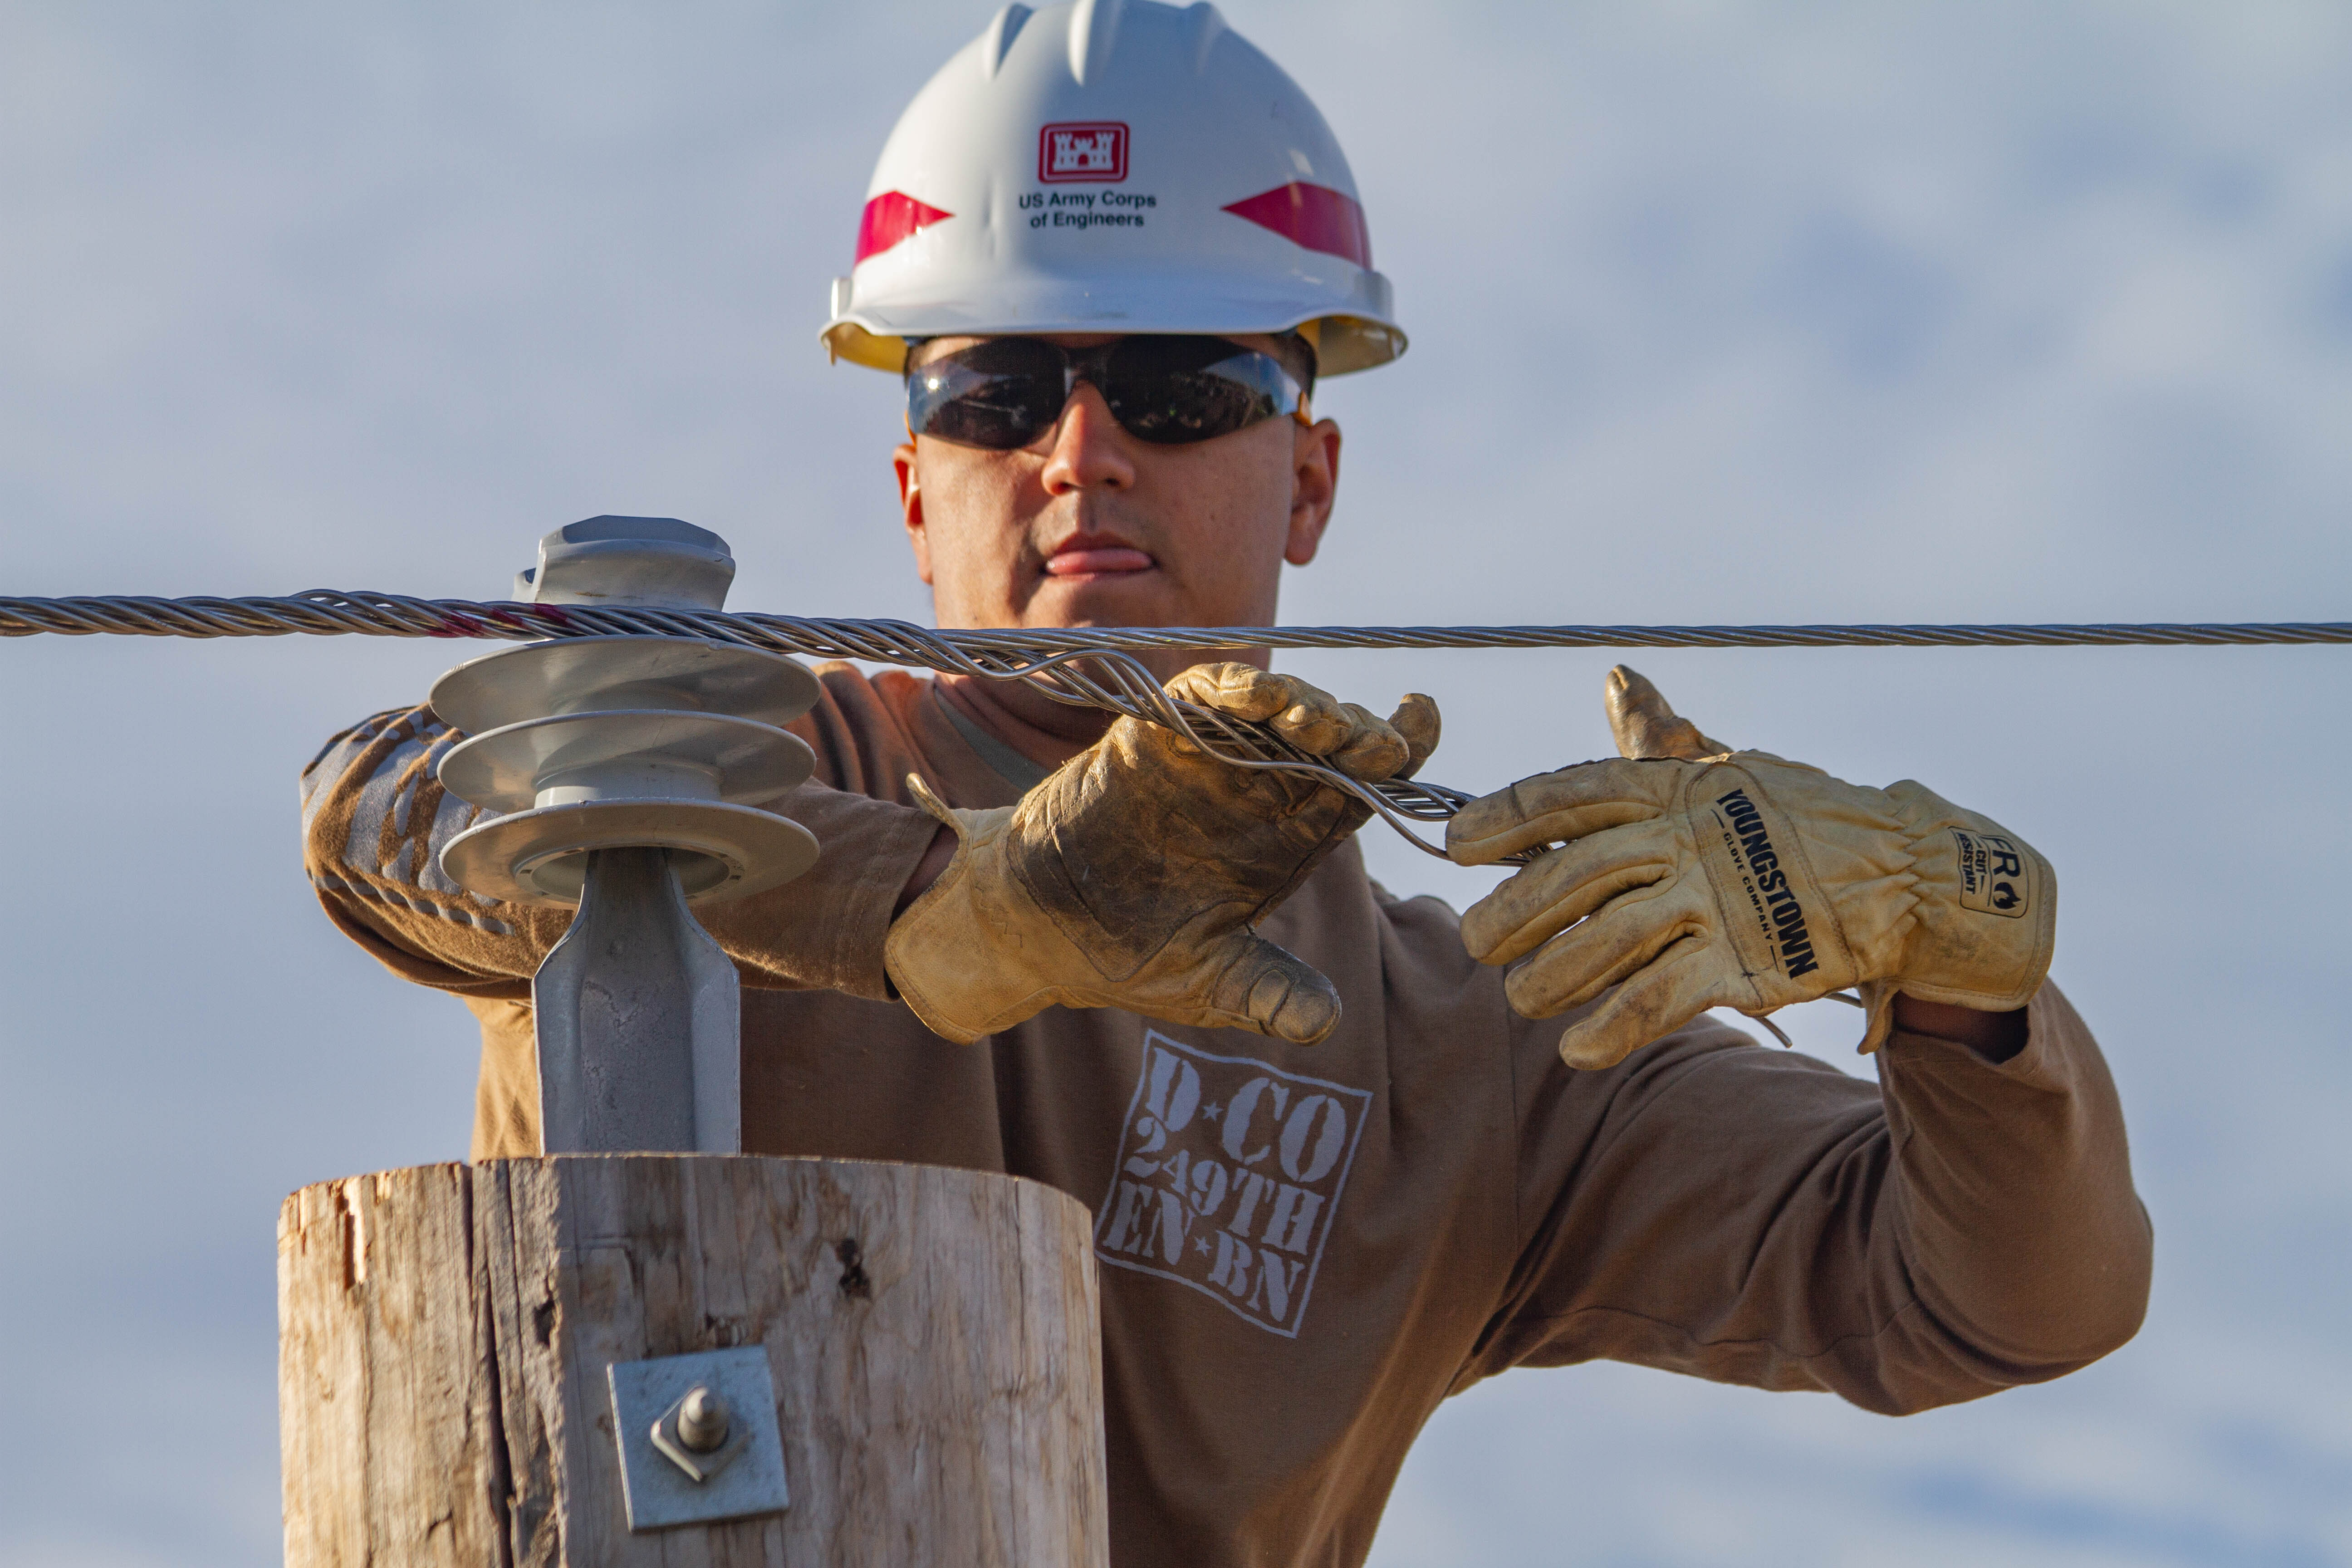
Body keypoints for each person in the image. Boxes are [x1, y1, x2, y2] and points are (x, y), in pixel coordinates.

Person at [301, 4, 2151, 1563]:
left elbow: (1995, 1295)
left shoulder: (1467, 1045)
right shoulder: (742, 771)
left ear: (1312, 480)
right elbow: (387, 817)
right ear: (914, 489)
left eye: (1181, 386)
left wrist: (1966, 988)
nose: (1082, 454)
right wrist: (935, 916)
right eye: (993, 393)